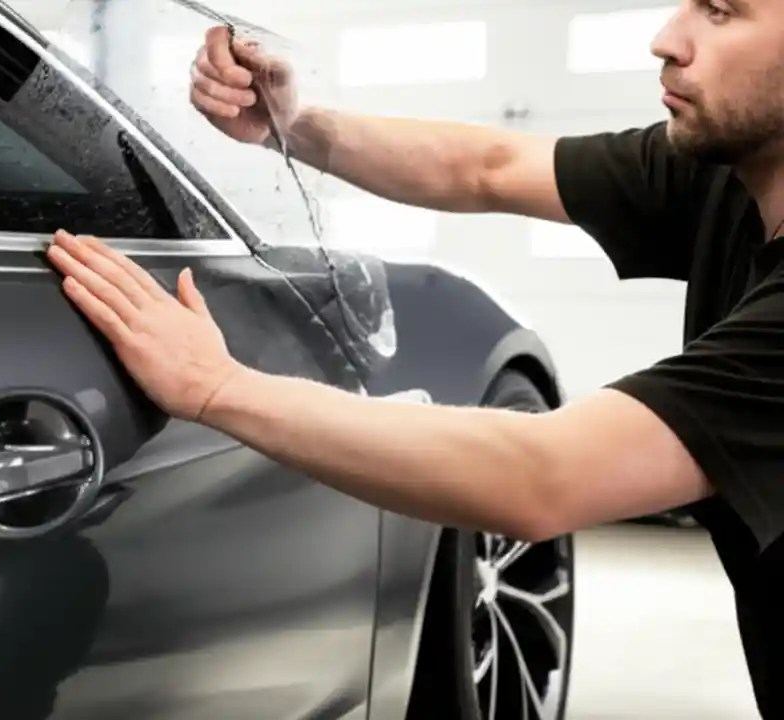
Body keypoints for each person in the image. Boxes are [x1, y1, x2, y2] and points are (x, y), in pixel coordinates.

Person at [44, 1, 784, 716]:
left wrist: (215, 387)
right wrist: (292, 126)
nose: (666, 37)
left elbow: (543, 477)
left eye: (721, 9)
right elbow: (486, 167)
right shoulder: (728, 172)